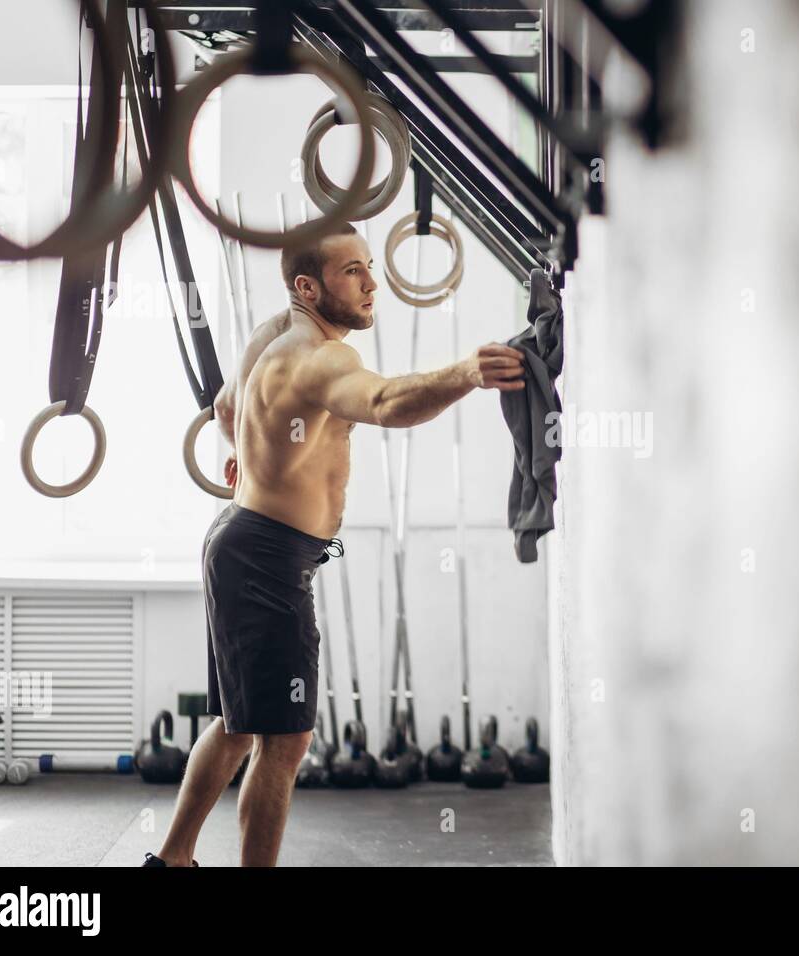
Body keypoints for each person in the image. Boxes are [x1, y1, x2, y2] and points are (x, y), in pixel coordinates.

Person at [143, 223, 524, 867]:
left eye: (369, 266)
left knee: (239, 727)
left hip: (242, 542)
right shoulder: (321, 359)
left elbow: (226, 401)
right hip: (265, 559)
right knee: (285, 742)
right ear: (307, 287)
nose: (373, 283)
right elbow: (384, 400)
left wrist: (245, 449)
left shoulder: (272, 335)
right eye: (354, 272)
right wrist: (467, 372)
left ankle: (172, 860)